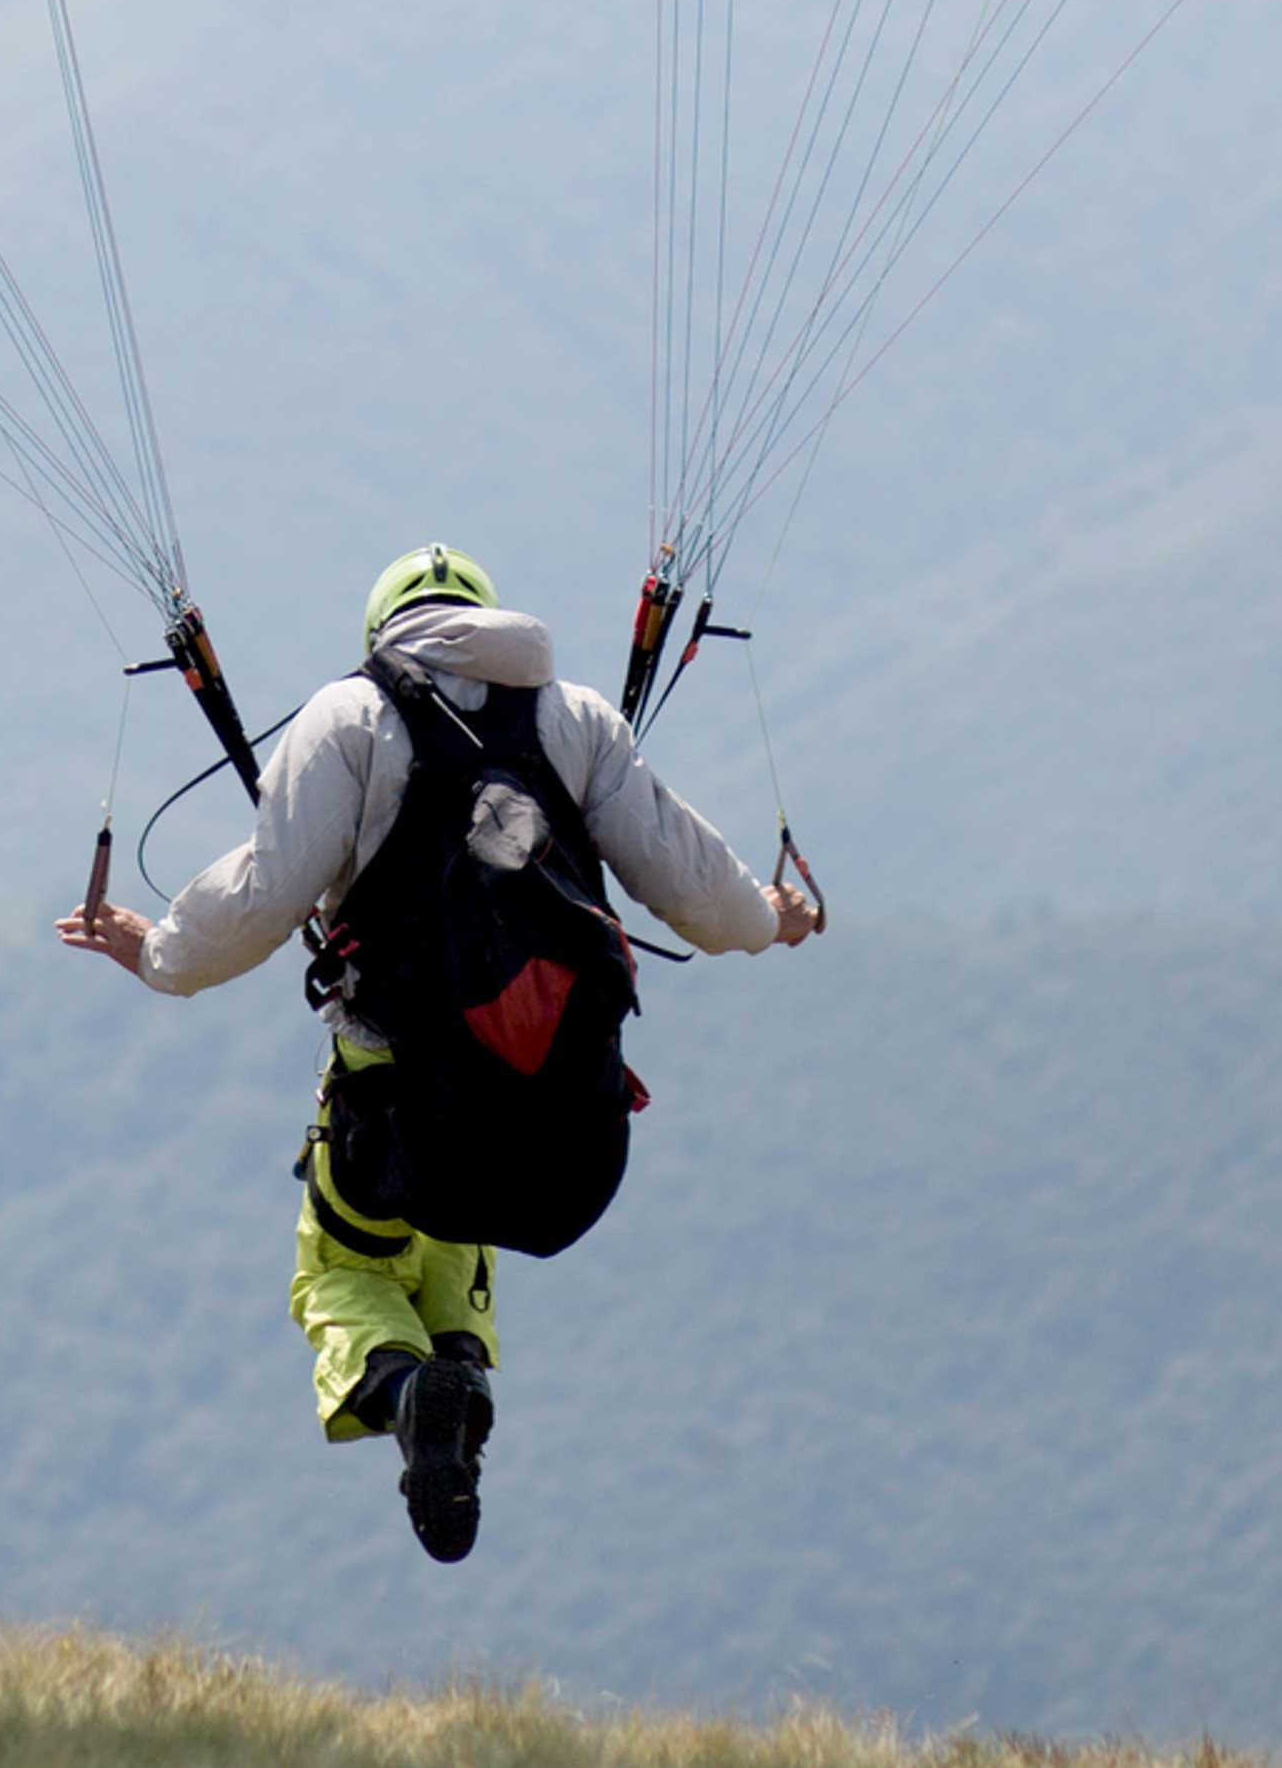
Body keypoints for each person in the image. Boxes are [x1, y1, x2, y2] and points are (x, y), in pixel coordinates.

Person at [55, 543, 818, 1561]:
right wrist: (769, 919)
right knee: (462, 1222)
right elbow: (698, 891)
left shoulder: (349, 720)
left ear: (382, 634)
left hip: (404, 1118)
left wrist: (155, 955)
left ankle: (415, 1392)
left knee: (338, 1268)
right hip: (567, 1152)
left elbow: (258, 900)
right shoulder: (578, 721)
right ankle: (455, 1372)